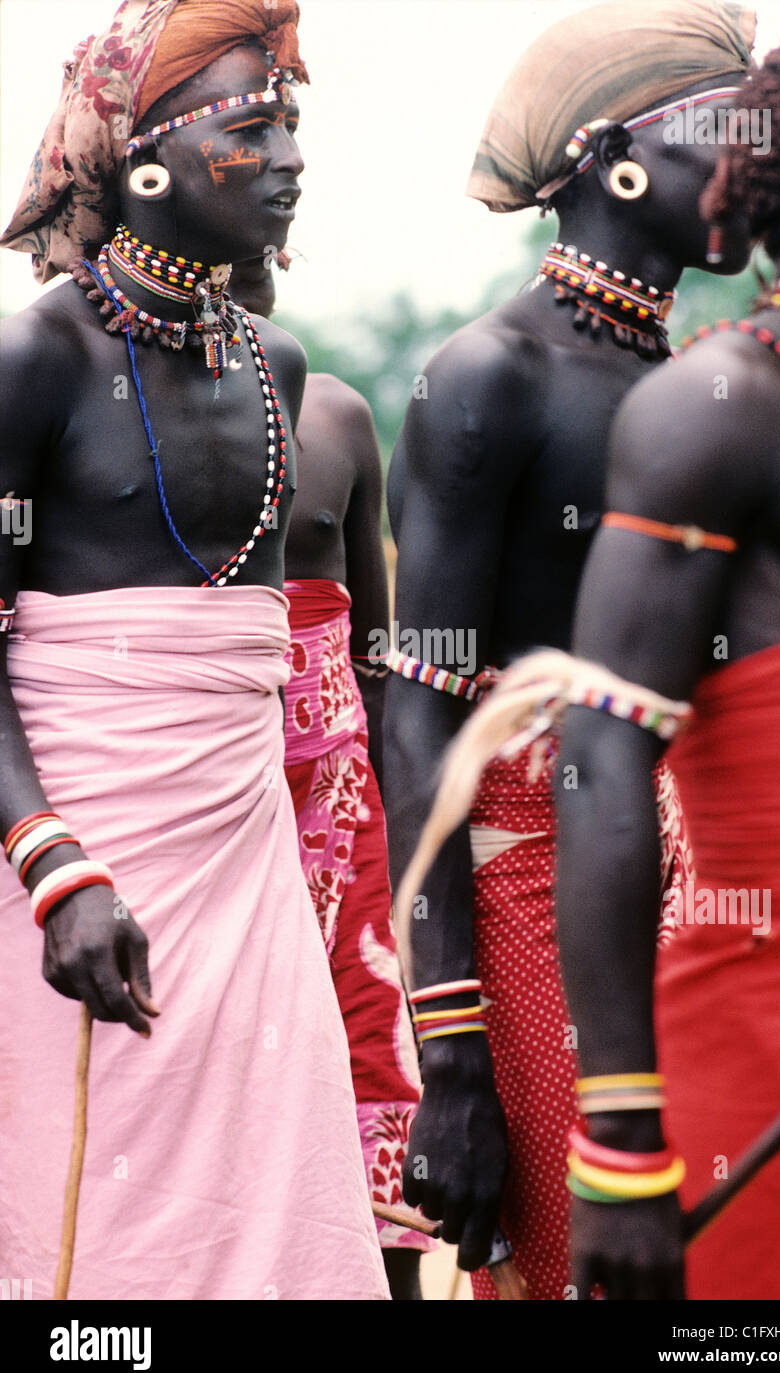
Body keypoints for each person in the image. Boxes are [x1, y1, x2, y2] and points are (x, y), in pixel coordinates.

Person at [408, 15, 780, 1301]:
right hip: (535, 896)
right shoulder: (491, 374)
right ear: (610, 159)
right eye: (721, 116)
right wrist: (452, 1048)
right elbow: (418, 717)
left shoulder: (693, 378)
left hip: (693, 889)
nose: (745, 151)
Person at [0, 0, 387, 1300]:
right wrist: (57, 872)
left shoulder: (275, 368)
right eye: (252, 125)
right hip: (74, 888)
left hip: (250, 884)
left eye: (291, 124)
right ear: (145, 159)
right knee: (91, 1242)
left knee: (269, 1215)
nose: (287, 154)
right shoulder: (35, 359)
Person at [232, 250, 435, 1299]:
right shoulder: (131, 421)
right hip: (211, 804)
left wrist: (403, 832)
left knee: (369, 1043)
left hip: (342, 808)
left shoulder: (341, 417)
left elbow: (382, 659)